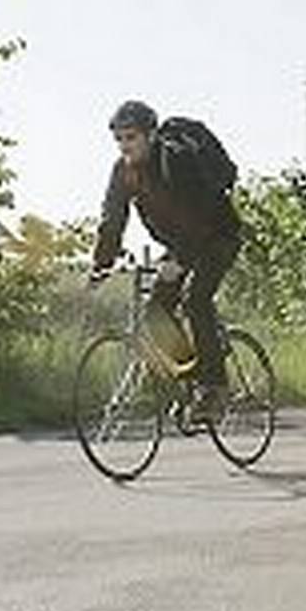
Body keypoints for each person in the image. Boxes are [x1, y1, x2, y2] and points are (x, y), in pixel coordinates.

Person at [90, 98, 241, 419]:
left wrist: (181, 259)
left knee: (195, 301)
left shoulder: (177, 160)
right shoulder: (124, 171)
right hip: (181, 243)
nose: (124, 146)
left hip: (217, 236)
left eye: (131, 137)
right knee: (155, 312)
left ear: (151, 134)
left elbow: (199, 214)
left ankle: (215, 389)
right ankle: (193, 373)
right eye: (119, 139)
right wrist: (101, 266)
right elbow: (112, 219)